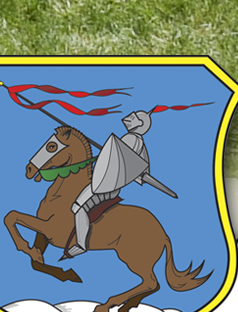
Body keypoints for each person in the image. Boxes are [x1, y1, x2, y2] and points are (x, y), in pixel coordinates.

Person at [73, 109, 175, 258]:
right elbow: (133, 169)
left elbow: (124, 167)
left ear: (139, 123)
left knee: (78, 207)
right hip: (111, 185)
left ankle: (81, 244)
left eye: (133, 117)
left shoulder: (131, 139)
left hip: (105, 186)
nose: (128, 117)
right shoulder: (139, 142)